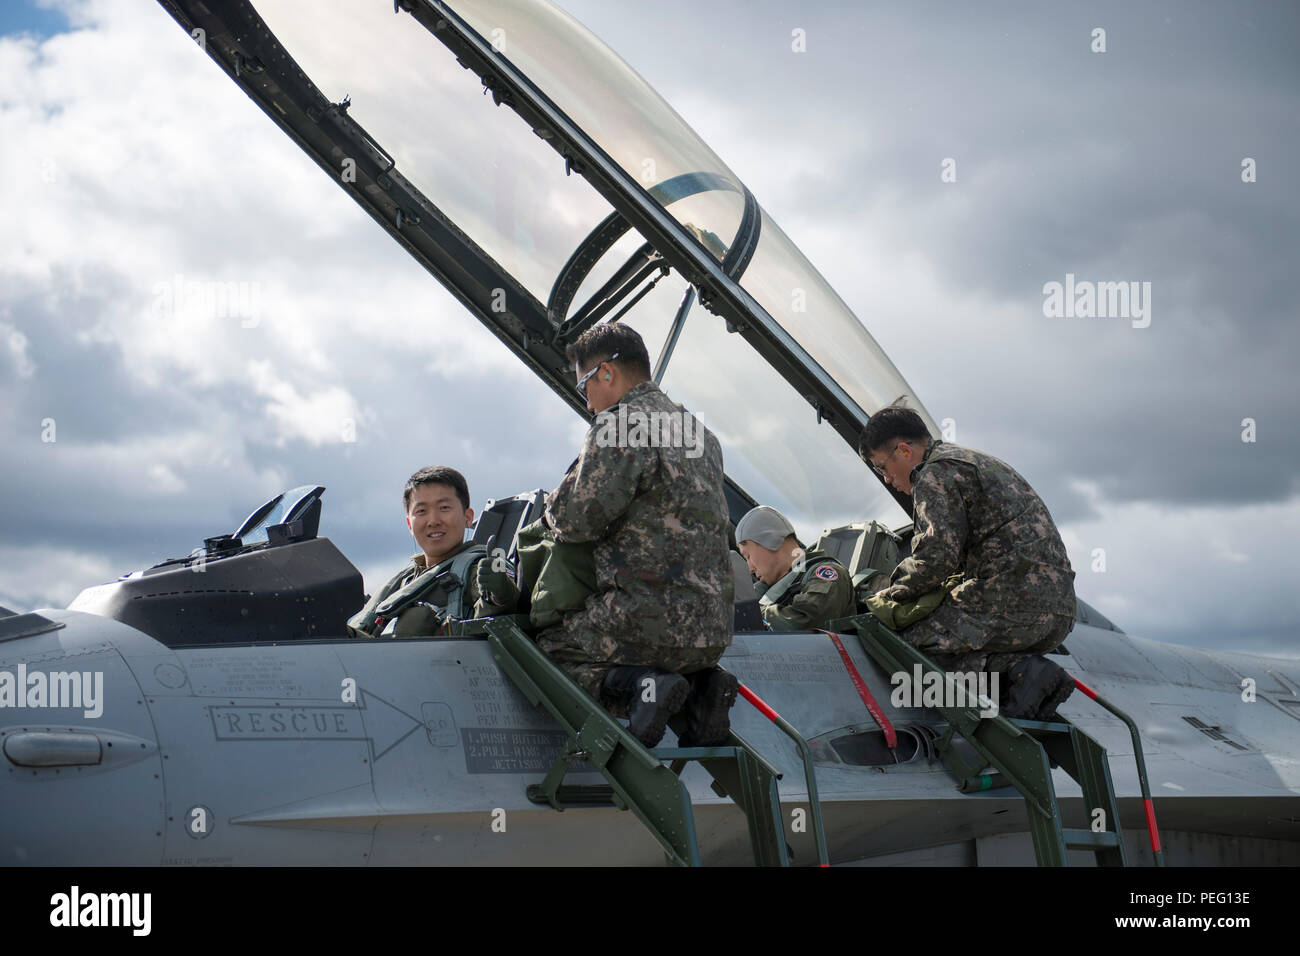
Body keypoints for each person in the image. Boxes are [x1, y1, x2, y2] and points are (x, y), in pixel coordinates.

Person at [537, 322, 735, 747]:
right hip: (712, 633)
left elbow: (576, 521)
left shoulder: (619, 427)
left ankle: (641, 687)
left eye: (584, 387)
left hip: (645, 626)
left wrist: (548, 510)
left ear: (605, 373)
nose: (588, 404)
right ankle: (703, 690)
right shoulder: (701, 433)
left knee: (549, 649)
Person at [858, 401, 1077, 718]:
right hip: (1057, 610)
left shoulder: (934, 475)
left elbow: (935, 558)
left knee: (902, 640)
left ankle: (1021, 672)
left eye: (882, 468)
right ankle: (1022, 679)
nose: (888, 480)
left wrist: (886, 596)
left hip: (1014, 601)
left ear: (904, 451)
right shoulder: (971, 461)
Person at [348, 466, 518, 637]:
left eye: (444, 508)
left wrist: (499, 594)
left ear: (468, 517)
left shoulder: (476, 568)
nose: (433, 521)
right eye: (421, 511)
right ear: (409, 525)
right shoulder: (404, 582)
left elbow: (495, 612)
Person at [735, 505, 856, 632]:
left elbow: (801, 624)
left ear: (770, 541)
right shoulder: (769, 589)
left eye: (748, 556)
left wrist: (748, 612)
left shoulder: (827, 574)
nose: (750, 568)